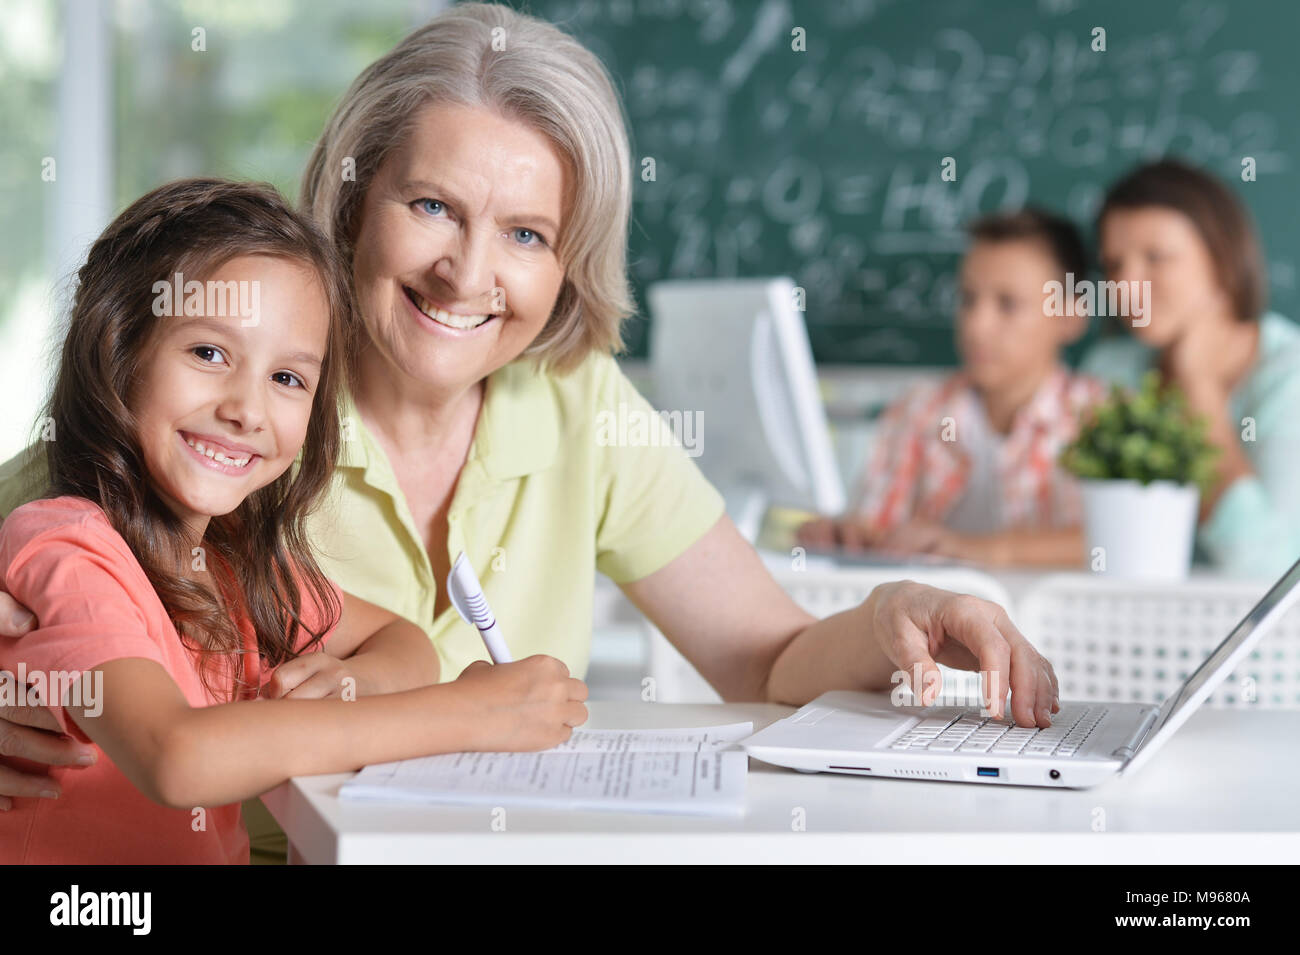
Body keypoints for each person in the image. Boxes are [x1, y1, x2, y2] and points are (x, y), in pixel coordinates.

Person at [0, 4, 1059, 857]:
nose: (468, 272)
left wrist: (890, 616)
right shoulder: (232, 425)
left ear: (566, 265)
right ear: (356, 200)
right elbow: (67, 534)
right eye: (430, 207)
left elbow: (763, 655)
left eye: (524, 233)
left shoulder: (578, 401)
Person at [0, 179, 586, 863]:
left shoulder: (234, 564)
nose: (247, 409)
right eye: (209, 353)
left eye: (288, 378)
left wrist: (355, 684)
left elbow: (404, 641)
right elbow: (177, 756)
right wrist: (468, 715)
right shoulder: (68, 545)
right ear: (119, 349)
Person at [799, 209, 1105, 567]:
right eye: (968, 299)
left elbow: (1120, 543)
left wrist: (979, 550)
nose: (976, 326)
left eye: (1007, 304)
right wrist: (849, 537)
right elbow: (875, 526)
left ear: (1071, 317)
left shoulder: (1100, 418)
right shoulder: (919, 409)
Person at [1080, 158, 1300, 578]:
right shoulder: (1108, 370)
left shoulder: (1291, 375)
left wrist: (1198, 389)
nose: (1126, 287)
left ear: (1223, 258)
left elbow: (1267, 565)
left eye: (1156, 258)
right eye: (1113, 265)